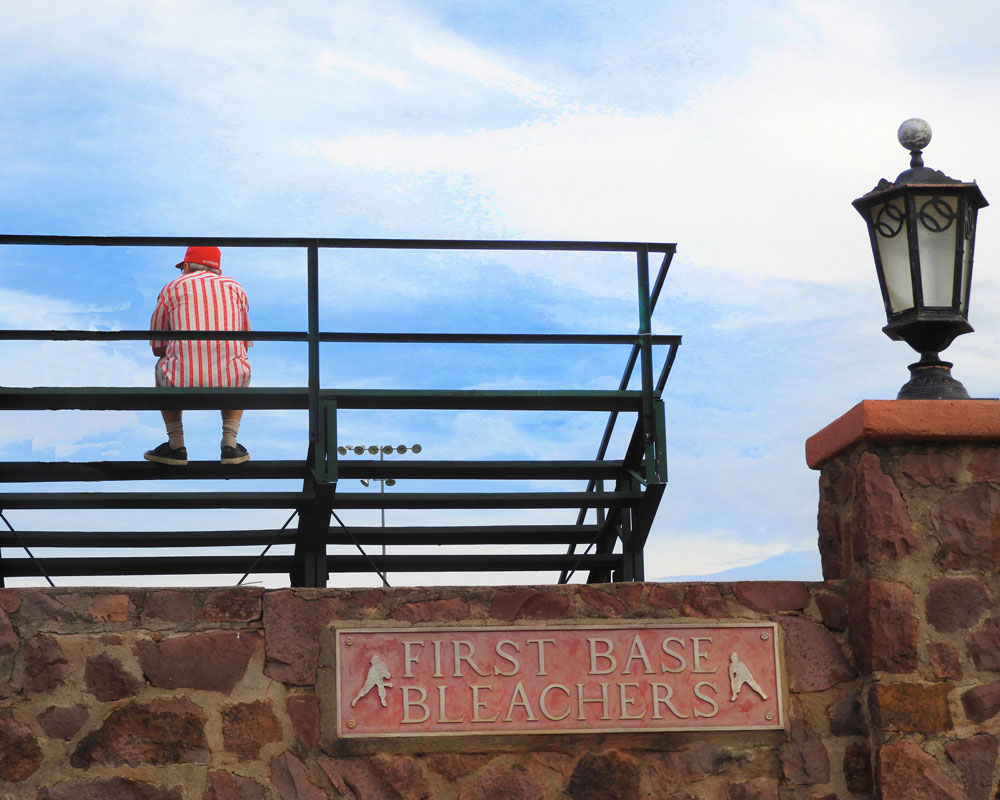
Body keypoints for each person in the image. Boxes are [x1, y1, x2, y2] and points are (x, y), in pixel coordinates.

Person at [144, 245, 252, 466]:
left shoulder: (172, 287)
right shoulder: (235, 288)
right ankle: (230, 444)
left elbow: (157, 347)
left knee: (161, 366)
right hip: (230, 380)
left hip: (180, 379)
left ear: (185, 266)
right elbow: (245, 343)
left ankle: (176, 445)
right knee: (238, 364)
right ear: (218, 270)